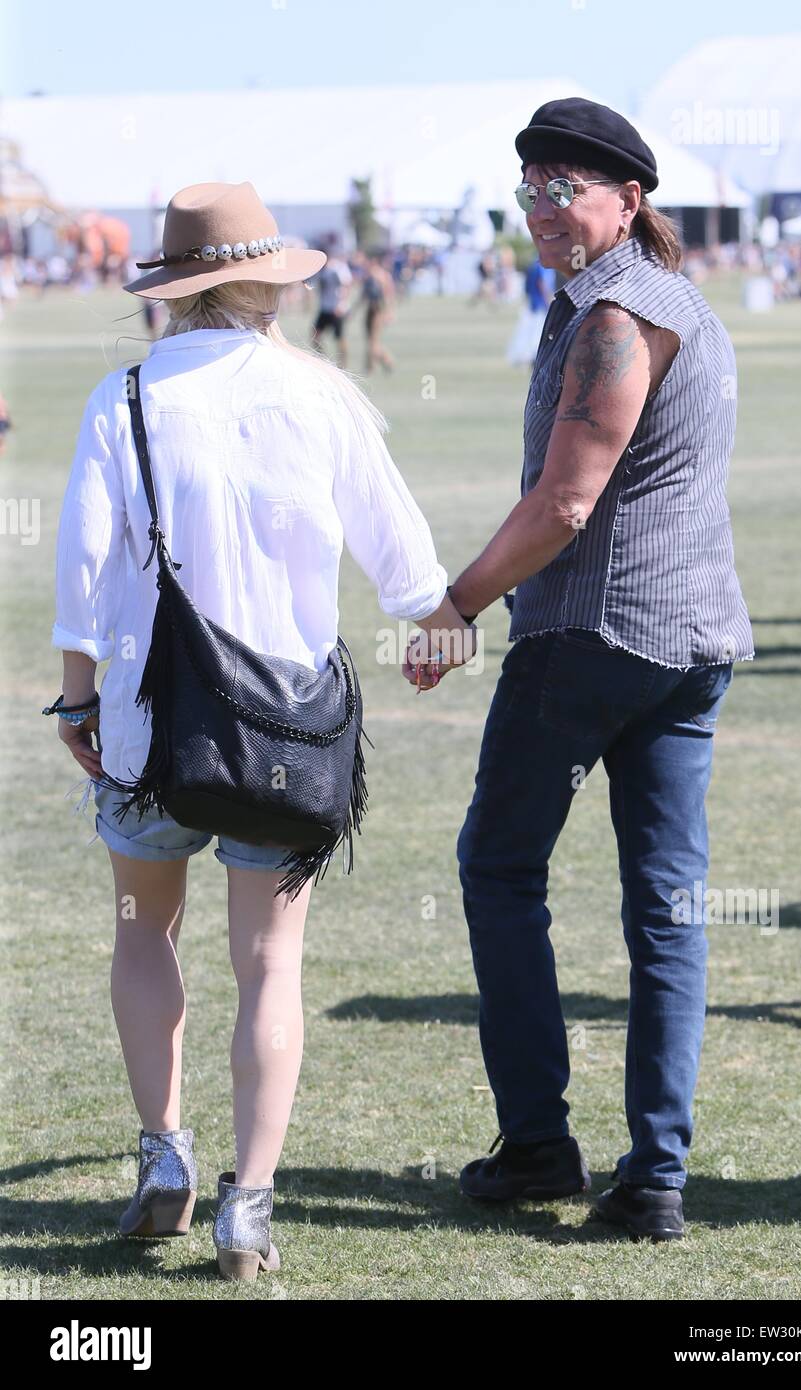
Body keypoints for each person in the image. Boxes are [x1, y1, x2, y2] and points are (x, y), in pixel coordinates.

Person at [46, 181, 476, 1281]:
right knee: (270, 961)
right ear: (259, 282)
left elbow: (83, 567)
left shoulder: (125, 396)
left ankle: (163, 1157)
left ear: (181, 286)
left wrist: (76, 693)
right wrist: (439, 624)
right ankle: (249, 1206)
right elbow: (405, 561)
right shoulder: (322, 394)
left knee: (143, 932)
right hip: (286, 729)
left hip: (147, 726)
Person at [405, 98, 754, 1242]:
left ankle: (542, 1145)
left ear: (628, 199)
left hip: (593, 637)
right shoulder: (672, 301)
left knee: (498, 867)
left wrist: (457, 603)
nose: (545, 209)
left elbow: (564, 500)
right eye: (532, 188)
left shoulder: (617, 309)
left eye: (567, 187)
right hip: (691, 643)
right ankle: (654, 1175)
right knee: (666, 906)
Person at [507, 255, 556, 366]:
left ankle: (526, 356)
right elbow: (543, 284)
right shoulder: (545, 265)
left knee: (529, 331)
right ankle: (533, 356)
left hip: (532, 302)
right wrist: (549, 301)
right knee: (538, 331)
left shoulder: (533, 265)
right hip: (540, 304)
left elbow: (527, 286)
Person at [310, 242, 352, 367]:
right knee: (315, 336)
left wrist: (341, 304)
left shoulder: (336, 268)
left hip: (336, 308)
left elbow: (346, 285)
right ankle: (323, 361)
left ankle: (343, 363)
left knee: (339, 337)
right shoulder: (322, 269)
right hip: (325, 308)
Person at [361, 251, 395, 373]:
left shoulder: (382, 275)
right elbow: (364, 295)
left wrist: (388, 312)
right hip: (370, 309)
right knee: (369, 339)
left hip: (378, 310)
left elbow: (388, 294)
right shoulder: (368, 276)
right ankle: (371, 365)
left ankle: (385, 361)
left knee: (373, 340)